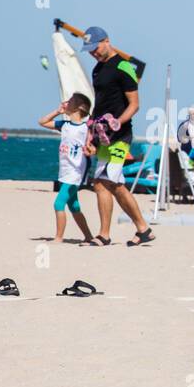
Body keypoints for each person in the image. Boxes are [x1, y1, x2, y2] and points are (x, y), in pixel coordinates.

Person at [81, 26, 152, 246]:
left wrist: (117, 122)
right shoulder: (96, 70)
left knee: (107, 181)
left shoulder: (124, 67)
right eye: (89, 50)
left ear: (106, 41)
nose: (93, 53)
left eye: (95, 48)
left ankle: (121, 231)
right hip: (101, 135)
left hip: (121, 134)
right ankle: (134, 229)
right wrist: (89, 135)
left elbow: (135, 105)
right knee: (106, 184)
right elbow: (99, 104)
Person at [36, 93, 95, 243]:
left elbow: (93, 147)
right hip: (65, 171)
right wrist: (58, 111)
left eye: (69, 102)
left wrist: (91, 150)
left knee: (58, 204)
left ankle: (59, 237)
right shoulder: (64, 125)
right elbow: (42, 122)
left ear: (78, 107)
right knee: (74, 206)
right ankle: (88, 236)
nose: (65, 103)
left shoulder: (85, 128)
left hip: (76, 173)